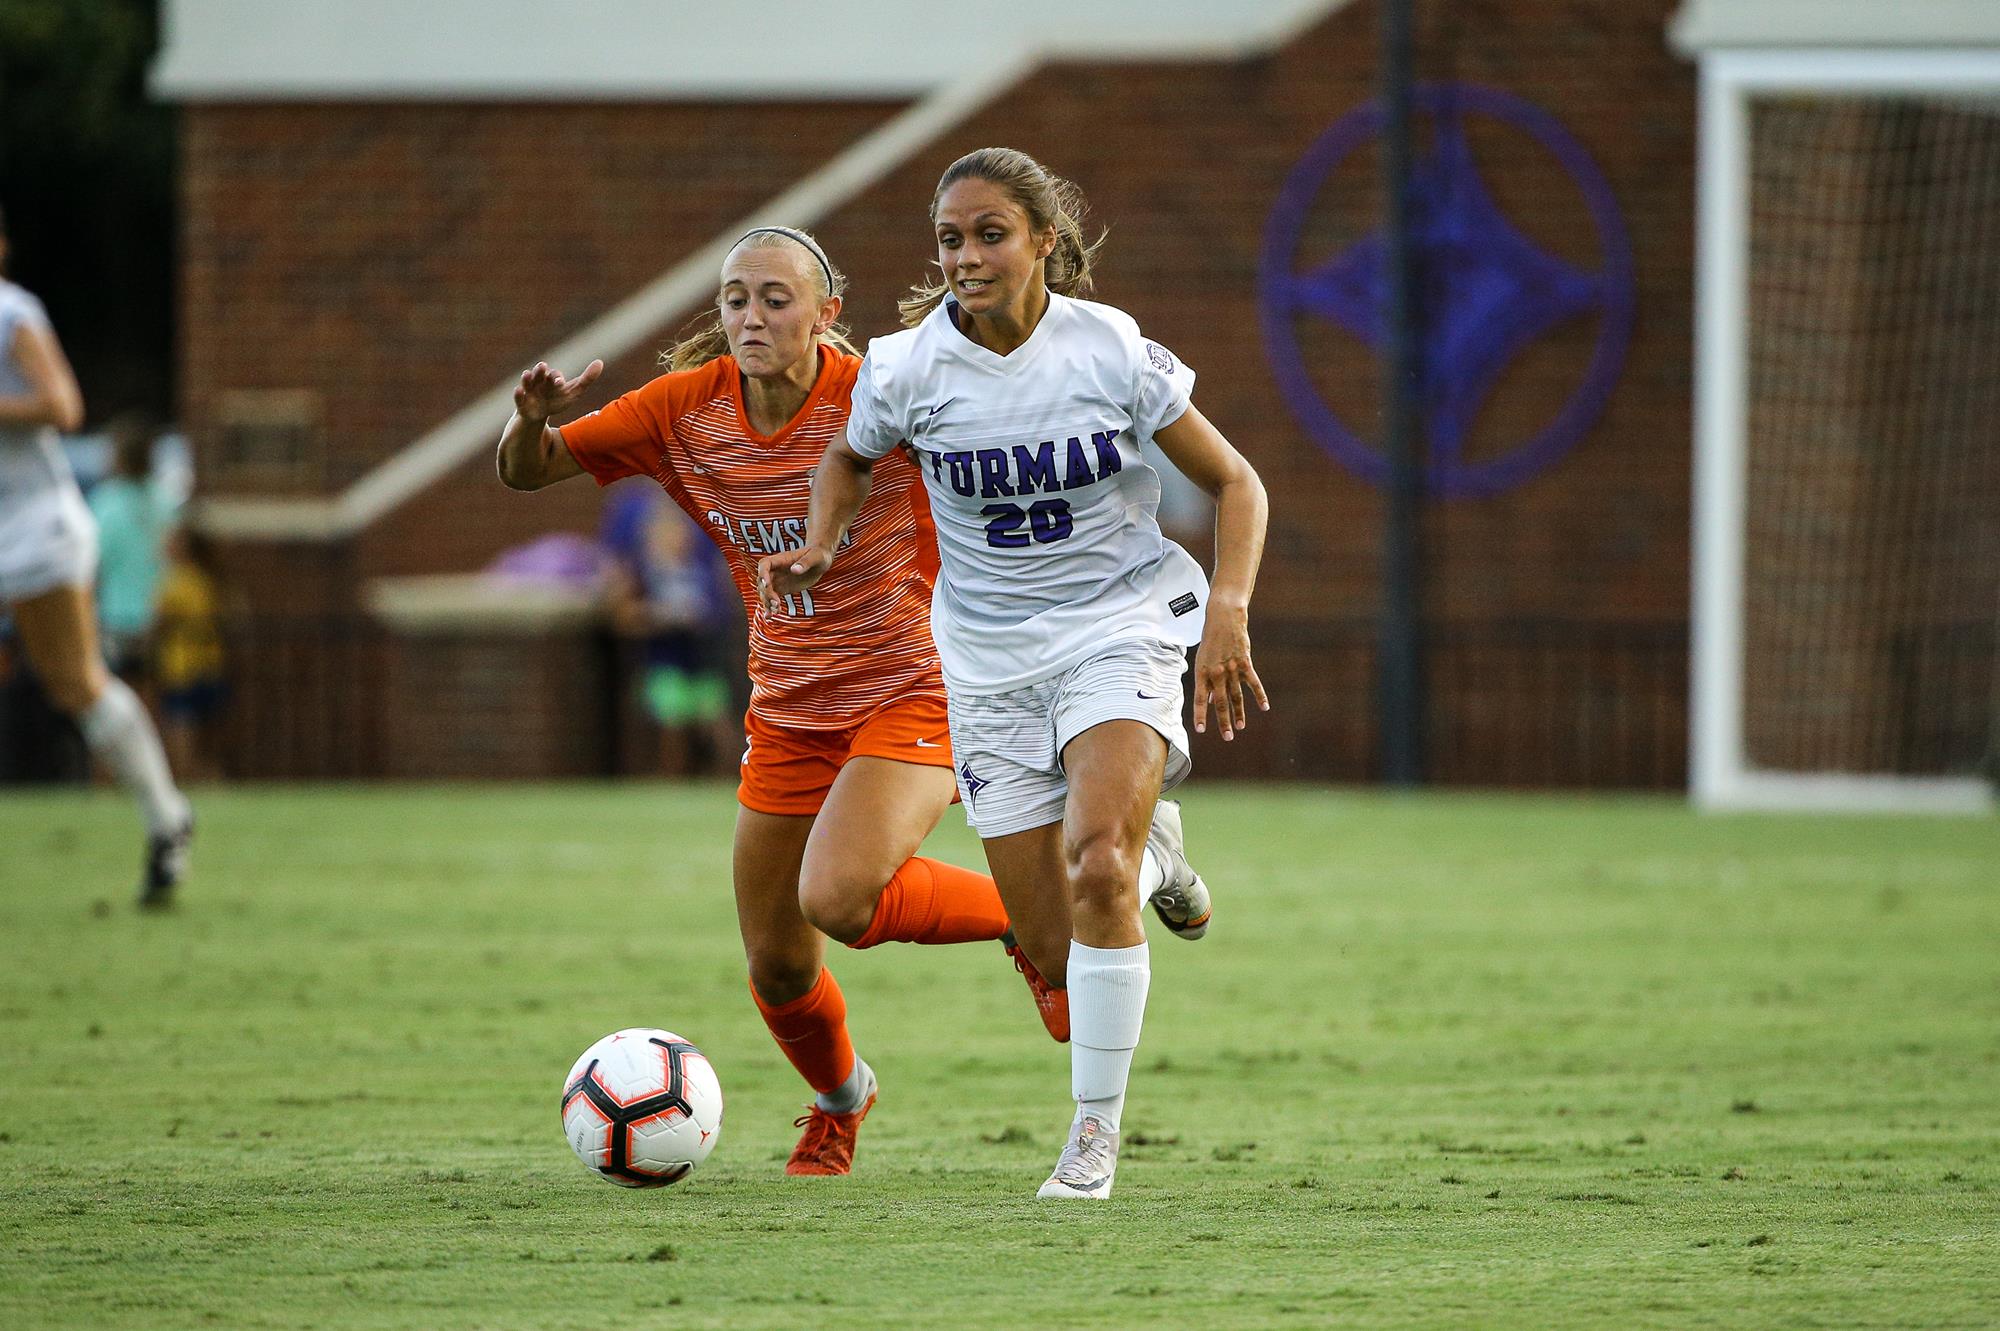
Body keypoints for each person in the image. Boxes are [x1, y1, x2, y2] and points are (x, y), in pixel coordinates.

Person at [763, 148, 1271, 1200]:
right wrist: (821, 539)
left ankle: (1091, 1137)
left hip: (1116, 626)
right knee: (1053, 943)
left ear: (1045, 238)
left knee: (1092, 861)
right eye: (948, 238)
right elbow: (850, 456)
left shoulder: (1109, 348)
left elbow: (1234, 480)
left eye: (989, 233)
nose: (965, 255)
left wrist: (1225, 604)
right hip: (987, 664)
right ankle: (1157, 859)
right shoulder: (906, 369)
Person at [496, 225, 1056, 1177]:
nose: (751, 316)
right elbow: (527, 471)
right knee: (780, 967)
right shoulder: (684, 409)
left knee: (839, 894)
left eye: (776, 299)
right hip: (790, 707)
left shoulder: (880, 393)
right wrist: (533, 421)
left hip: (913, 684)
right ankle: (844, 1099)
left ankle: (1028, 918)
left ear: (826, 315)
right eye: (735, 299)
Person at [0, 205, 193, 905]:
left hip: (33, 525)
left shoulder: (12, 311)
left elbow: (62, 404)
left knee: (75, 684)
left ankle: (166, 819)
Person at [599, 485, 738, 776]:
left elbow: (716, 610)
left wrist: (701, 619)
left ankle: (730, 774)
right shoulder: (649, 577)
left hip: (701, 656)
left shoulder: (699, 574)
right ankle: (671, 779)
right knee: (670, 723)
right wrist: (656, 617)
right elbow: (623, 615)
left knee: (714, 719)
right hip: (665, 657)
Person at [88, 414, 176, 680]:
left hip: (115, 617)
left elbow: (92, 563)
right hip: (162, 615)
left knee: (118, 691)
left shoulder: (105, 501)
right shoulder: (167, 501)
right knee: (157, 696)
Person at [153, 523, 229, 781]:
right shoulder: (209, 581)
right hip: (211, 667)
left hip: (182, 669)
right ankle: (210, 784)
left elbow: (158, 625)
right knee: (205, 745)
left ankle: (188, 784)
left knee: (181, 738)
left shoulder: (174, 583)